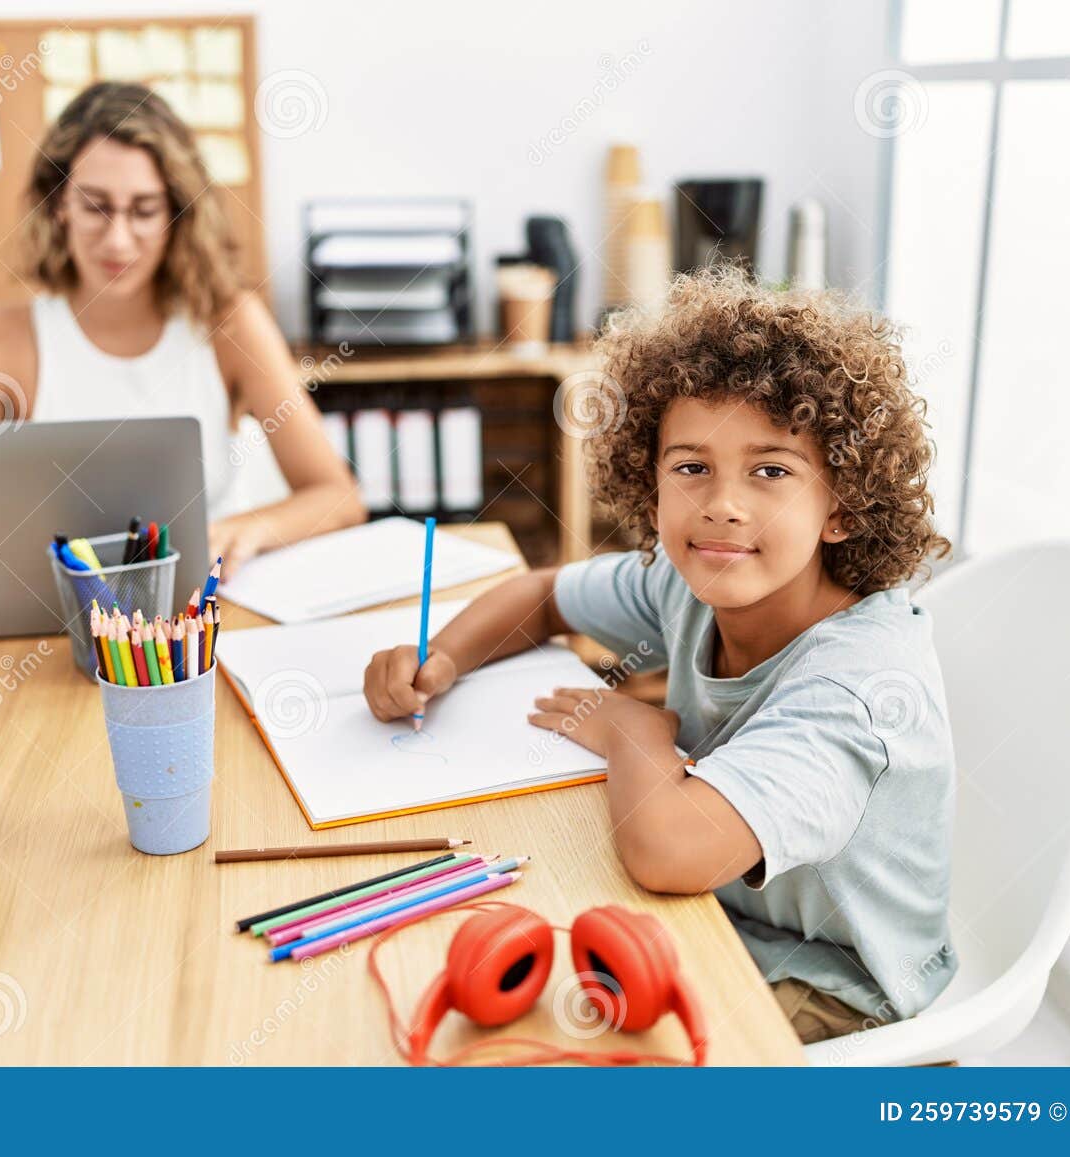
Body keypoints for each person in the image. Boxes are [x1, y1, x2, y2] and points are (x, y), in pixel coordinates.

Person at [363, 268, 958, 1043]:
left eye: (770, 470)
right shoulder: (702, 581)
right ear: (651, 485)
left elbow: (668, 849)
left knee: (570, 1055)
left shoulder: (857, 690)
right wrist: (438, 659)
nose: (721, 502)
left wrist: (634, 731)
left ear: (841, 509)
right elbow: (542, 594)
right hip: (719, 915)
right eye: (691, 466)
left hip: (833, 984)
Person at [0, 82, 363, 571]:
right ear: (58, 205)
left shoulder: (229, 324)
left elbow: (338, 496)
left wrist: (247, 531)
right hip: (59, 603)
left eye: (144, 211)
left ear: (177, 215)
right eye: (95, 205)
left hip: (206, 607)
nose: (118, 240)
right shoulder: (4, 339)